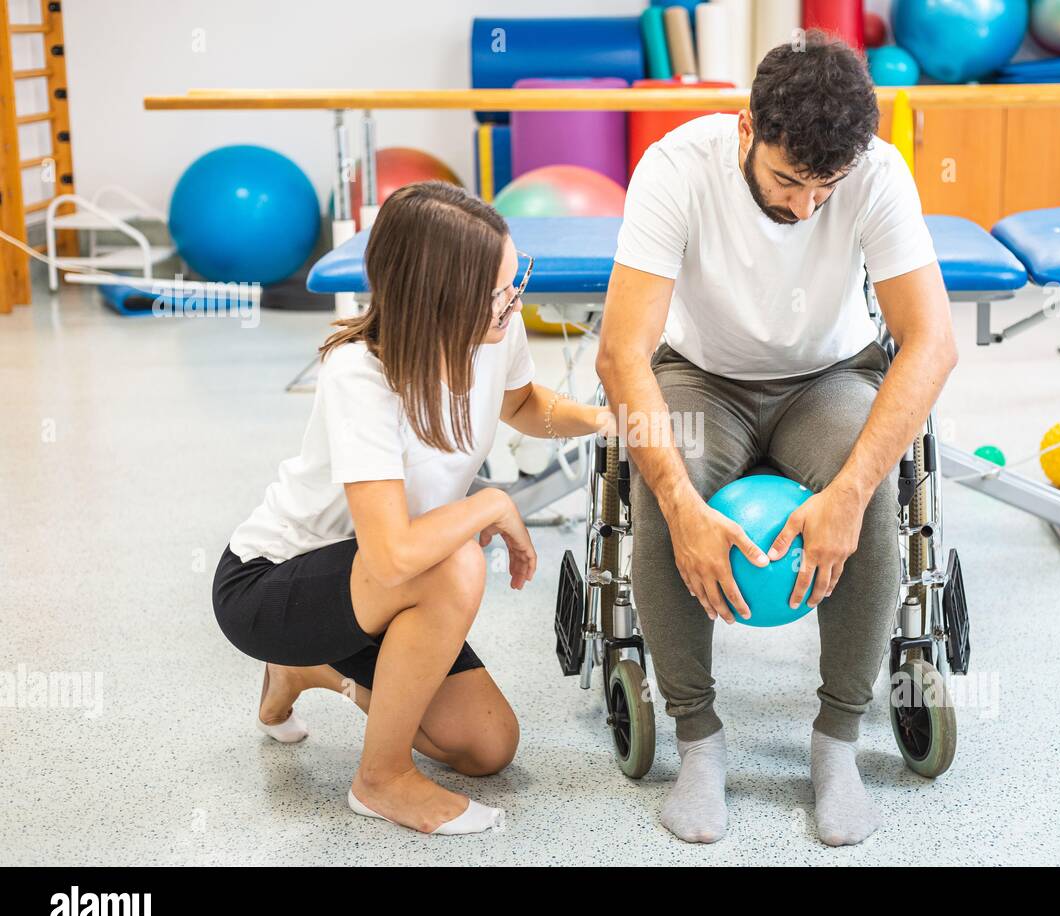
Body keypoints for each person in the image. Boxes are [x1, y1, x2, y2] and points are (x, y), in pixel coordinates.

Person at [596, 33, 957, 846]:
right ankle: (699, 740)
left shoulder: (876, 173)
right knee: (665, 487)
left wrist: (851, 492)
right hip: (700, 377)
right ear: (746, 130)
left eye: (824, 189)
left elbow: (931, 343)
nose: (804, 207)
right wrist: (683, 505)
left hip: (826, 378)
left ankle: (836, 745)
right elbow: (621, 353)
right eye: (788, 181)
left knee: (863, 501)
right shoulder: (674, 168)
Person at [213, 181, 610, 836]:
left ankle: (309, 669)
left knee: (487, 747)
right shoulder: (359, 376)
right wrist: (487, 504)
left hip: (374, 593)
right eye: (497, 292)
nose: (514, 301)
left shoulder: (491, 330)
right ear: (436, 300)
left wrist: (601, 419)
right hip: (272, 585)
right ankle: (381, 779)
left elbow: (519, 405)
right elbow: (394, 553)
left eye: (518, 280)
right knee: (454, 563)